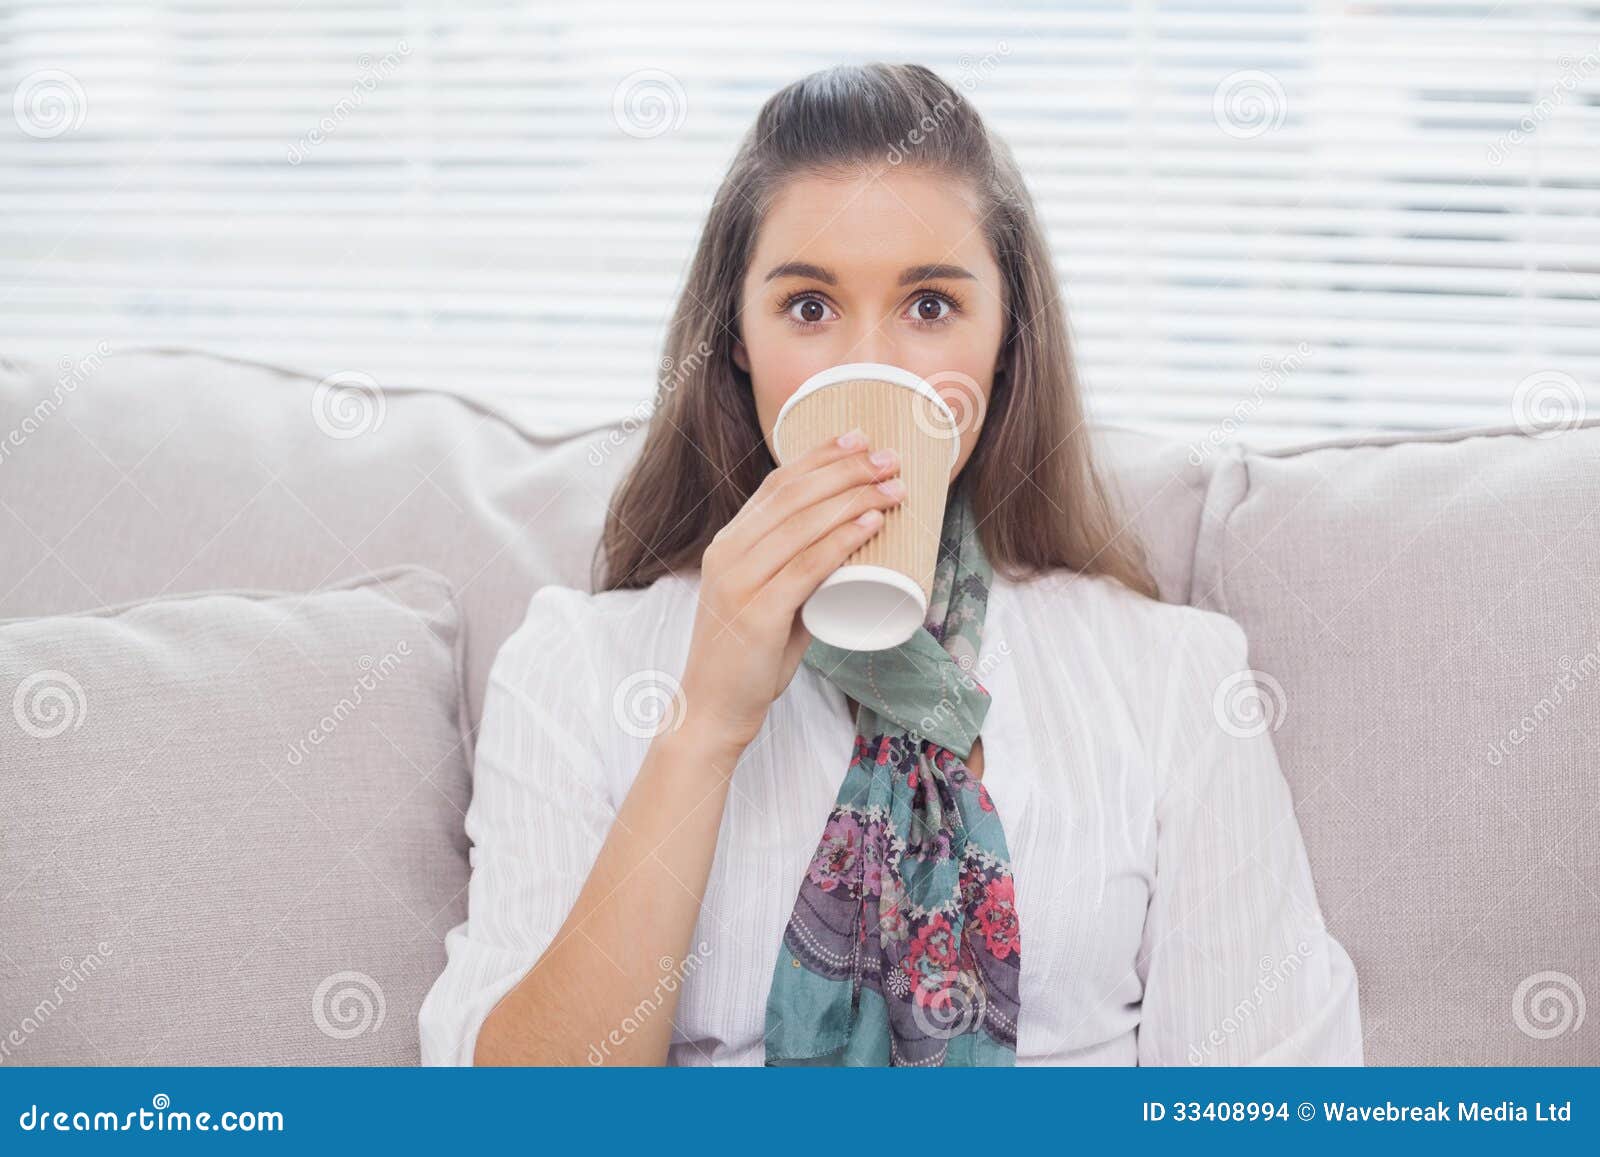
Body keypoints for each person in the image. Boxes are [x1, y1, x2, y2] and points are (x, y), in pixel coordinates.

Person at [418, 62, 1363, 1067]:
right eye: (810, 309)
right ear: (736, 339)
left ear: (1006, 341)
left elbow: (1273, 1087)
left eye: (928, 307)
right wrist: (704, 729)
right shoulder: (576, 664)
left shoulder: (1171, 676)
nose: (869, 368)